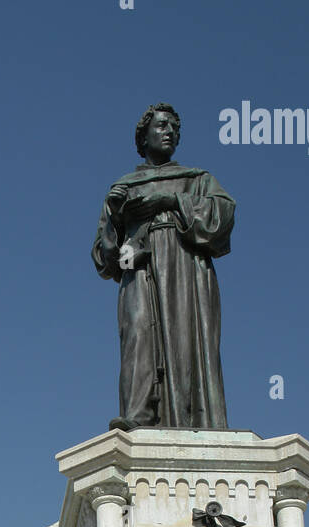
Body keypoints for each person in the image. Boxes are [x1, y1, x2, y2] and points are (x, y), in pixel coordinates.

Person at [92, 104, 235, 431]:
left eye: (174, 126)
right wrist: (115, 219)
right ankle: (138, 415)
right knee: (138, 330)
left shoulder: (196, 180)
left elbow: (221, 218)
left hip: (186, 269)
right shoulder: (125, 188)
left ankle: (194, 419)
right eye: (161, 126)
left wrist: (172, 201)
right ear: (144, 137)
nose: (169, 131)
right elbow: (104, 259)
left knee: (186, 340)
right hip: (139, 269)